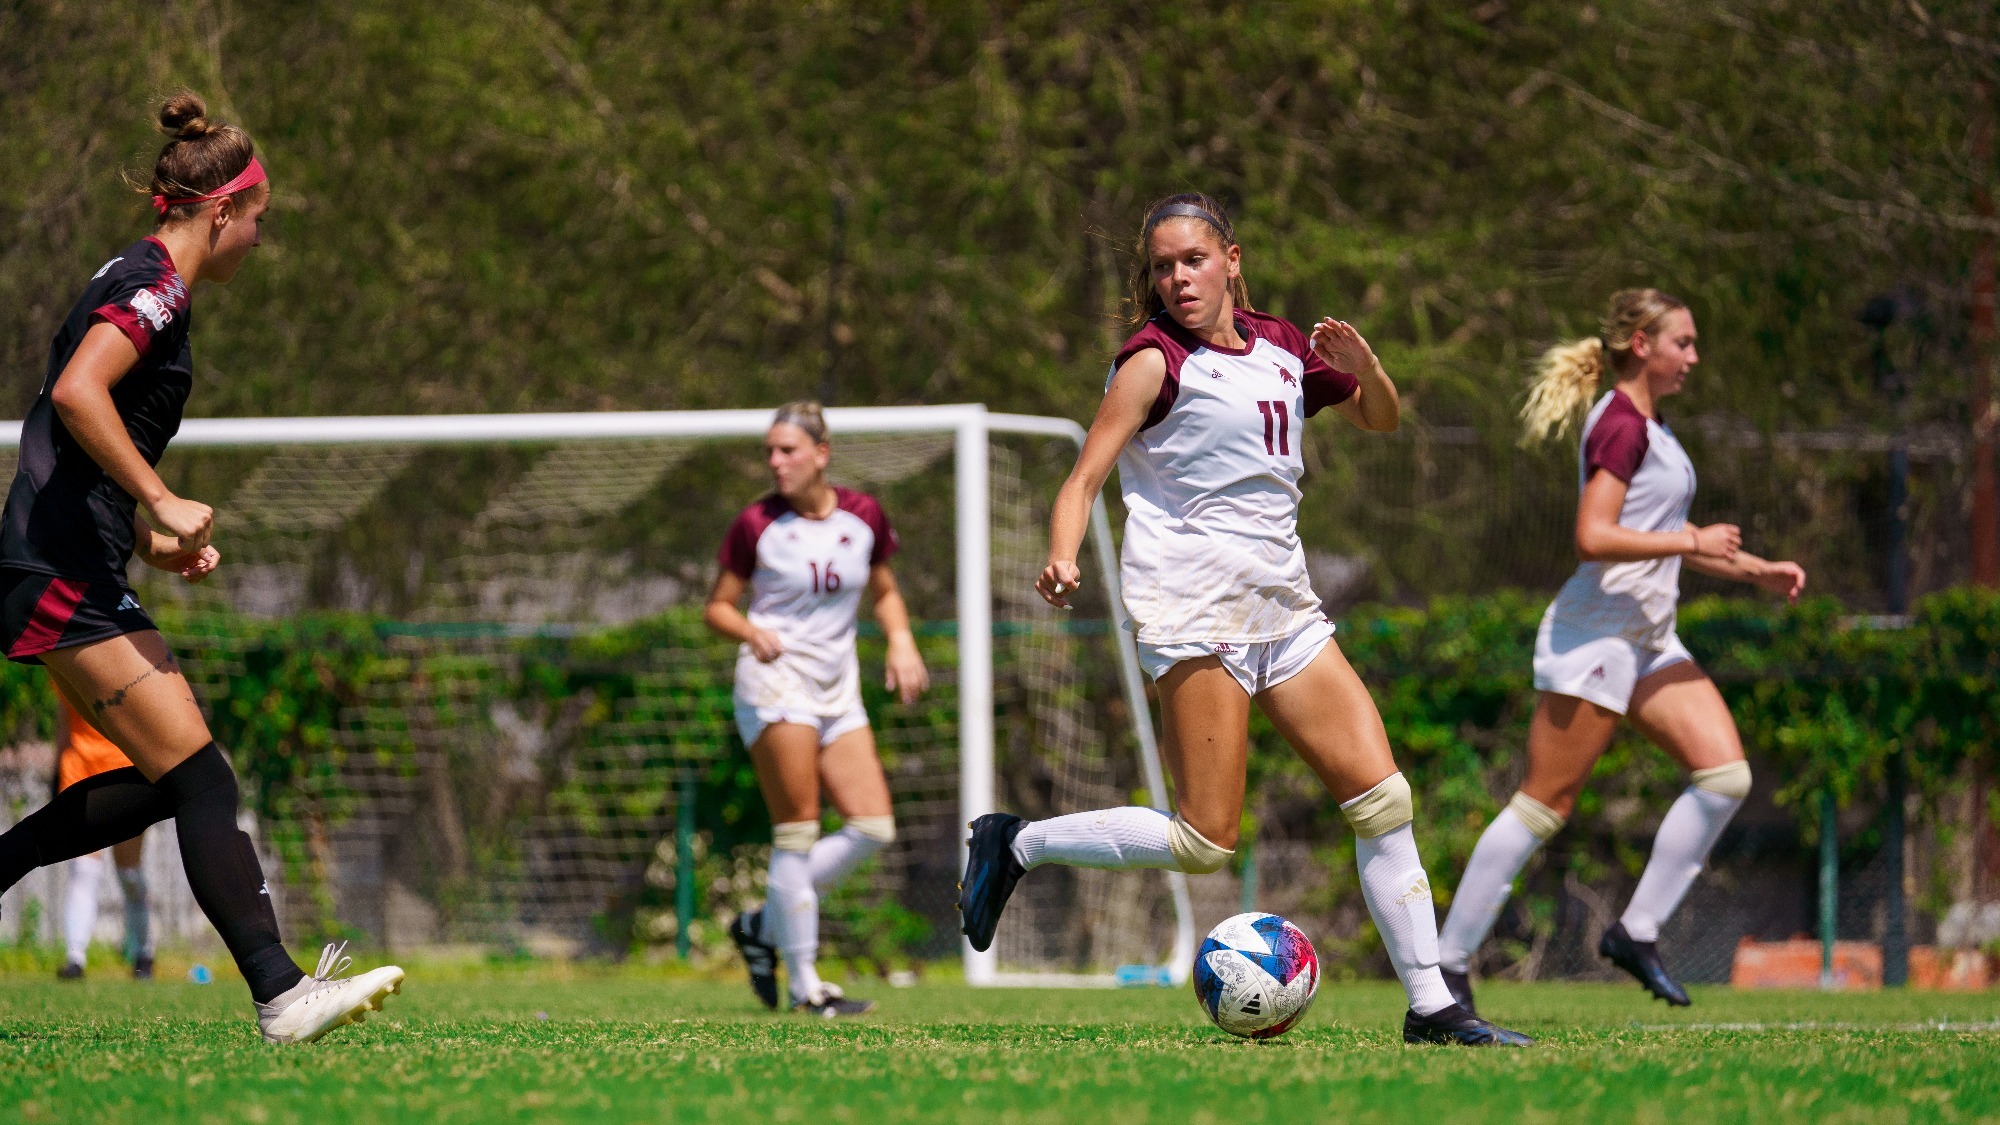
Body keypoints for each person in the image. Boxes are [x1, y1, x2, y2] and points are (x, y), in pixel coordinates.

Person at [956, 193, 1532, 1047]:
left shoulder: (1287, 346)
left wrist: (1369, 369)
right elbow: (1082, 480)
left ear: (1232, 258)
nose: (1177, 278)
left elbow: (1382, 417)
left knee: (1382, 799)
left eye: (1192, 259)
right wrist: (1064, 551)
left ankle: (1433, 1006)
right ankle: (1018, 843)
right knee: (1204, 839)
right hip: (1192, 611)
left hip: (1285, 607)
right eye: (1161, 266)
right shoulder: (1152, 361)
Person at [0, 91, 403, 1043]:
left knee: (171, 776)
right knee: (202, 777)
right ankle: (280, 990)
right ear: (222, 211)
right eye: (257, 222)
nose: (258, 243)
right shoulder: (157, 288)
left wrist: (149, 533)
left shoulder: (137, 275)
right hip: (58, 565)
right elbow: (75, 391)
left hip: (69, 553)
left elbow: (70, 439)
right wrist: (165, 499)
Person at [1434, 288, 1806, 1014]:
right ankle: (1444, 965)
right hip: (1598, 633)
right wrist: (1692, 541)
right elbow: (1594, 535)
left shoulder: (1653, 427)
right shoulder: (1620, 424)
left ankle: (1635, 932)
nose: (1694, 357)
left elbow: (1657, 531)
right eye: (1684, 343)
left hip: (1647, 634)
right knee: (1545, 805)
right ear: (1642, 342)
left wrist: (1752, 568)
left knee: (1725, 774)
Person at [707, 402, 929, 1018]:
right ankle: (806, 987)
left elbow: (882, 588)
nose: (776, 462)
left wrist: (902, 638)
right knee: (798, 831)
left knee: (873, 826)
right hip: (776, 685)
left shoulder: (863, 516)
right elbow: (718, 606)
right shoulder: (756, 523)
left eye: (789, 450)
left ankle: (760, 927)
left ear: (821, 454)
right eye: (771, 452)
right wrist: (749, 632)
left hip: (838, 689)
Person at [54, 700, 155, 980]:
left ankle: (143, 953)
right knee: (83, 869)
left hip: (126, 770)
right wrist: (56, 766)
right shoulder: (61, 663)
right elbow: (64, 717)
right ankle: (75, 958)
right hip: (80, 771)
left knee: (130, 873)